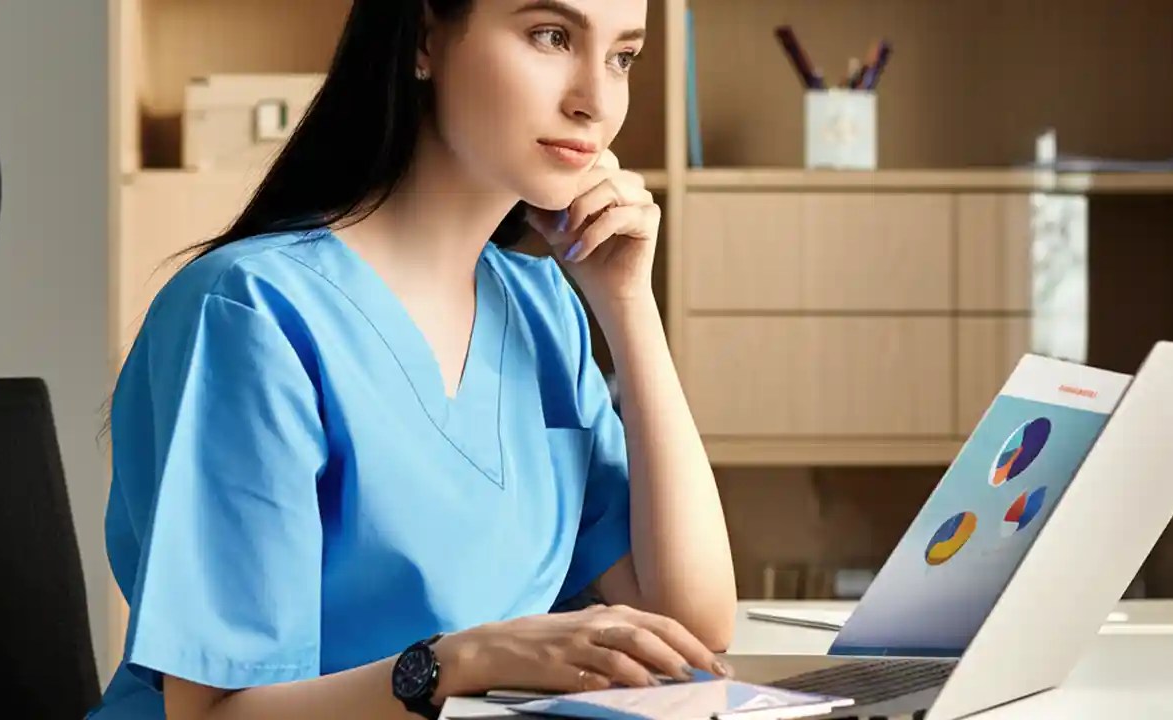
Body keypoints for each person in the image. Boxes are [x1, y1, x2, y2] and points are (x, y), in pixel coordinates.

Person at [89, 1, 737, 718]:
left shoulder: (543, 310)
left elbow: (692, 627)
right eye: (551, 36)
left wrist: (628, 306)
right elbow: (212, 712)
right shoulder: (253, 311)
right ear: (425, 39)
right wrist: (462, 662)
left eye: (622, 57)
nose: (594, 101)